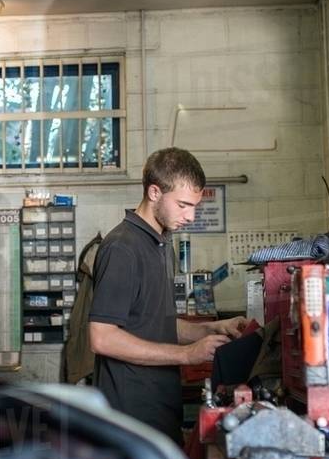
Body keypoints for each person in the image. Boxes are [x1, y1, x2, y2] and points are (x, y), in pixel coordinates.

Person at [88, 148, 247, 443]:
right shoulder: (122, 248)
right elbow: (102, 337)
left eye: (195, 206)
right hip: (130, 413)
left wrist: (210, 329)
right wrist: (187, 354)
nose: (191, 216)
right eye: (184, 205)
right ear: (154, 192)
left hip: (160, 402)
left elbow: (156, 323)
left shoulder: (160, 244)